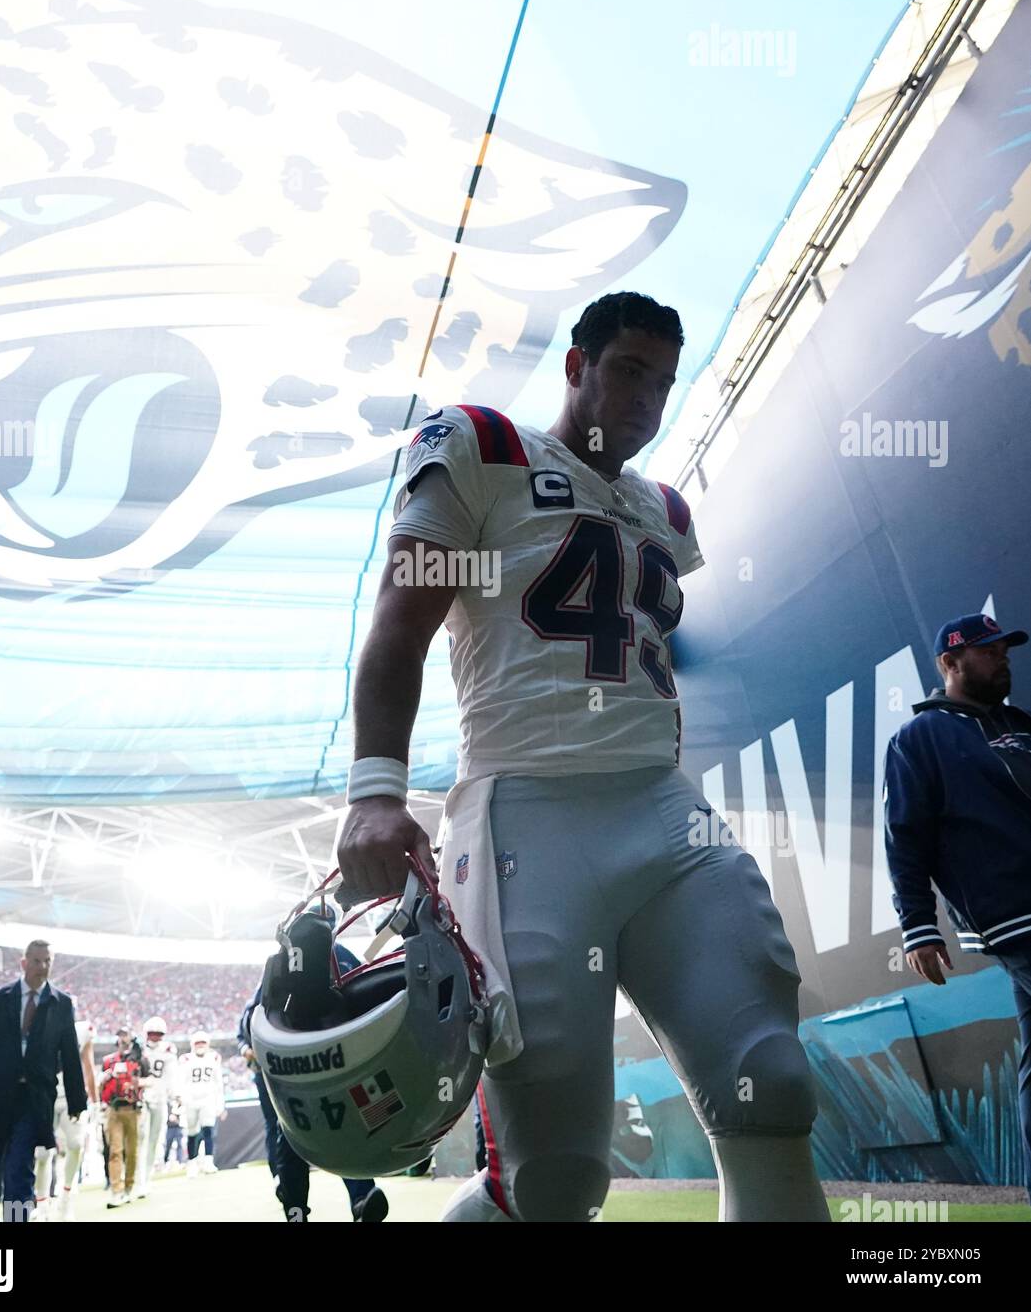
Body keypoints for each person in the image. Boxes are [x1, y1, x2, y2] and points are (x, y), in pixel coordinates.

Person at [336, 291, 829, 1223]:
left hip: (663, 811)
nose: (646, 399)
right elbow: (399, 626)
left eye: (663, 382)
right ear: (576, 366)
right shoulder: (484, 446)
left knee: (771, 1081)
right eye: (628, 370)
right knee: (551, 1174)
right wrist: (374, 792)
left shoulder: (665, 512)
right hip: (527, 814)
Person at [884, 612, 1031, 1202]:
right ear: (950, 663)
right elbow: (904, 835)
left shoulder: (1021, 725)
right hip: (1011, 911)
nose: (1003, 659)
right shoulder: (920, 738)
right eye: (988, 651)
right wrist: (918, 926)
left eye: (1005, 651)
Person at [238, 915, 389, 1223]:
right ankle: (332, 1201)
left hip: (307, 1063)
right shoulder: (337, 957)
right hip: (325, 1062)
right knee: (324, 1131)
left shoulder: (286, 961)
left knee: (299, 1133)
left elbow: (257, 1015)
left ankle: (309, 1206)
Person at [0, 940, 88, 1222]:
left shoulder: (62, 1004)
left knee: (19, 1171)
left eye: (48, 962)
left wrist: (77, 1101)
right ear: (24, 962)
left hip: (33, 1102)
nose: (42, 967)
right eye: (37, 961)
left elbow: (70, 1055)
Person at [34, 1017, 98, 1221]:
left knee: (76, 1143)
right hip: (46, 1095)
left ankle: (66, 1195)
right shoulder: (36, 1028)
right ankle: (42, 1202)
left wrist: (95, 1100)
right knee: (42, 1154)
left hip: (72, 1095)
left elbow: (88, 1066)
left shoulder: (82, 1031)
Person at [101, 1025, 148, 1207]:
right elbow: (101, 1084)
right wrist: (105, 1079)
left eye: (125, 1035)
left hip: (133, 1109)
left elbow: (150, 1080)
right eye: (120, 1036)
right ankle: (117, 1190)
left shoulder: (140, 1060)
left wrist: (137, 1083)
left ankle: (128, 1187)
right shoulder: (108, 1061)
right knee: (115, 1150)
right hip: (114, 1108)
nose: (123, 1039)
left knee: (131, 1152)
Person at [134, 1015, 177, 1199]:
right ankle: (139, 1179)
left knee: (154, 1140)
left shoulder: (168, 1049)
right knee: (141, 1140)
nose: (154, 1038)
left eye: (158, 1034)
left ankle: (147, 1178)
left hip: (159, 1097)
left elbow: (171, 1075)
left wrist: (175, 1096)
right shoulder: (138, 1049)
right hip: (141, 1098)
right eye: (151, 1034)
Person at [178, 1031, 225, 1176]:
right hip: (190, 1099)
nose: (200, 1046)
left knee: (208, 1130)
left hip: (208, 1098)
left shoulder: (214, 1058)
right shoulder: (185, 1059)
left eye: (203, 1043)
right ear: (192, 1045)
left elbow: (219, 1083)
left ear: (208, 1044)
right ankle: (192, 1163)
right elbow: (181, 1080)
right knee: (192, 1132)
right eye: (197, 1043)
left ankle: (208, 1161)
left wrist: (220, 1105)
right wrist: (180, 1099)